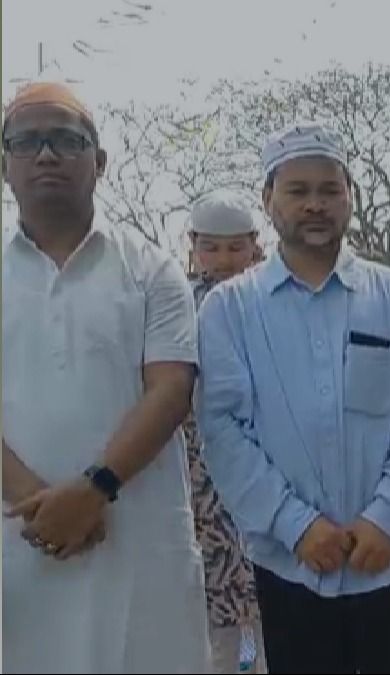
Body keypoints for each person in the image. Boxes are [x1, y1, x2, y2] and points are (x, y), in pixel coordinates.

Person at [197, 122, 390, 674]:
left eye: (329, 190)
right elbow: (223, 430)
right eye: (298, 190)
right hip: (292, 565)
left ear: (350, 198)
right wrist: (296, 526)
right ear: (268, 199)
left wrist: (387, 519)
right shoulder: (230, 311)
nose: (315, 205)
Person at [2, 81, 210, 672]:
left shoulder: (151, 268)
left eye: (67, 140)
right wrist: (35, 504)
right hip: (21, 544)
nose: (46, 154)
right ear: (4, 164)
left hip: (138, 543)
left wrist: (93, 489)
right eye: (27, 141)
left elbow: (170, 389)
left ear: (100, 161)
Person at [184, 189, 267, 673]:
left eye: (234, 247)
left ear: (255, 244)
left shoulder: (272, 296)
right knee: (213, 603)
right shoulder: (175, 301)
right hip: (200, 467)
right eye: (211, 247)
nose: (223, 259)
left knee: (271, 596)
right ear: (193, 245)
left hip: (265, 460)